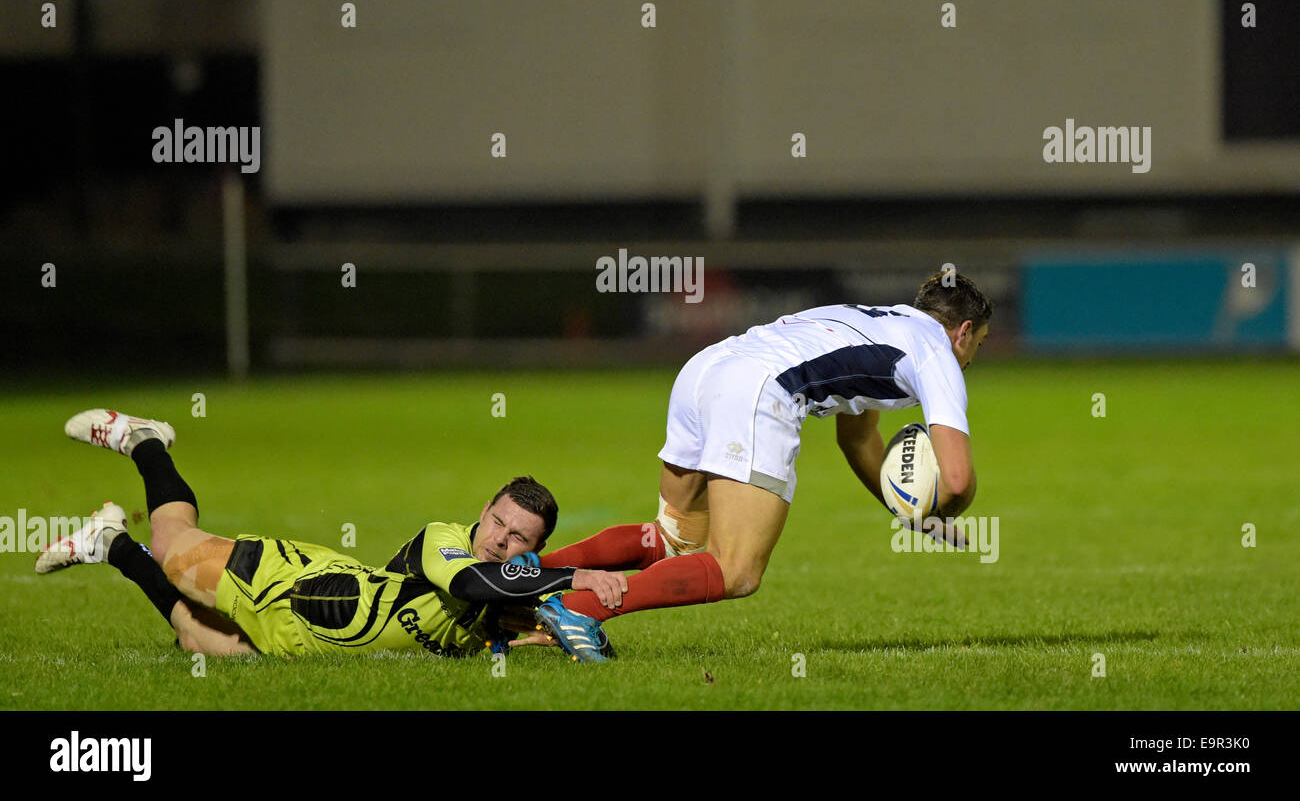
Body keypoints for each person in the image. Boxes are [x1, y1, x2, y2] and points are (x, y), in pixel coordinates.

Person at [529, 270, 992, 662]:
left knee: (673, 538)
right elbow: (956, 479)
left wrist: (910, 511)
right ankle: (578, 609)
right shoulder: (937, 351)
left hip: (707, 368)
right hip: (757, 391)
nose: (972, 357)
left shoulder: (875, 322)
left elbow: (858, 437)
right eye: (979, 344)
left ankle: (520, 580)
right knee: (737, 571)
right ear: (963, 331)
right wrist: (946, 506)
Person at [38, 409, 625, 660]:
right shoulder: (444, 543)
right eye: (497, 521)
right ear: (483, 511)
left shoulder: (504, 599)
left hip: (297, 644)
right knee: (170, 548)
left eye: (519, 537)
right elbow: (473, 584)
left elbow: (505, 614)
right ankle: (145, 441)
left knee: (193, 639)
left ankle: (110, 541)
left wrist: (560, 631)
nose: (500, 539)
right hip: (287, 585)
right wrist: (577, 575)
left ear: (533, 549)